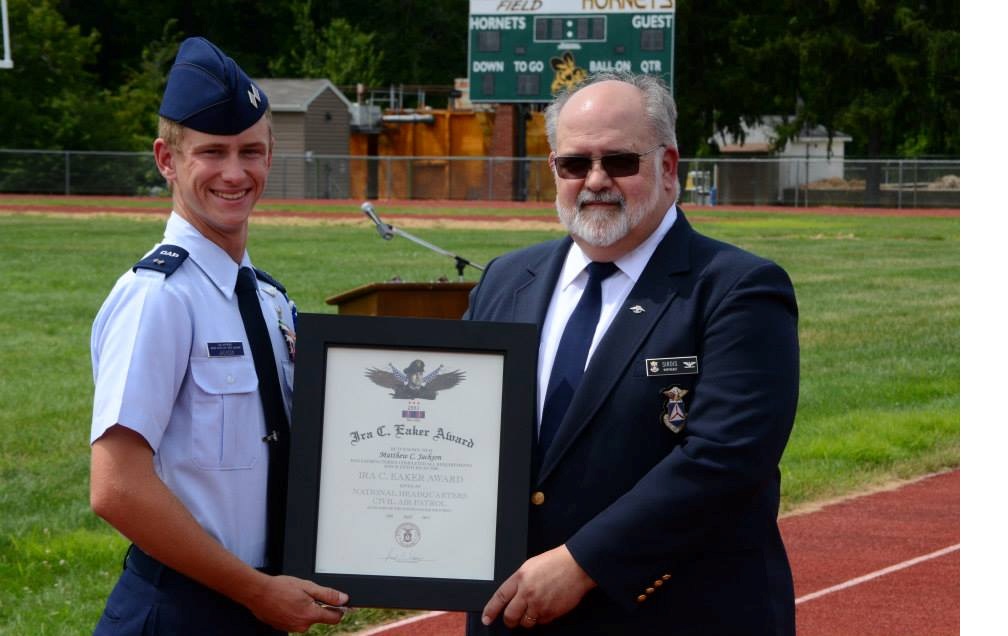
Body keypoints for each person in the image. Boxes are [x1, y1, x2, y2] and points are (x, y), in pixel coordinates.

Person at [464, 72, 799, 635]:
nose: (595, 180)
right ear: (554, 170)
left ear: (669, 166)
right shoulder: (506, 280)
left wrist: (582, 563)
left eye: (619, 161)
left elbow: (724, 461)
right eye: (574, 164)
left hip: (676, 614)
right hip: (516, 614)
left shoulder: (737, 288)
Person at [89, 37, 349, 634]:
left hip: (258, 603)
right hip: (185, 608)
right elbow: (117, 487)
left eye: (251, 152)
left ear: (270, 154)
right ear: (166, 160)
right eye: (212, 152)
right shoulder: (159, 296)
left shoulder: (268, 298)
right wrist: (256, 590)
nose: (235, 173)